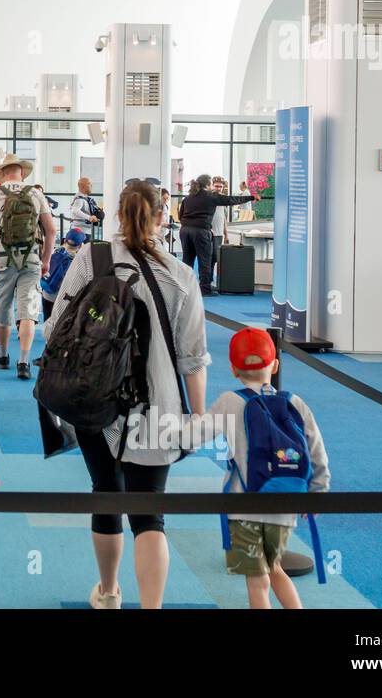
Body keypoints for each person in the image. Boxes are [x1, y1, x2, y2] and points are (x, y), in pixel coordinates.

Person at [43, 180, 210, 609]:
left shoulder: (91, 258)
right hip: (158, 407)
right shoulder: (181, 275)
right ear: (161, 217)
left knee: (106, 489)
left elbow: (54, 328)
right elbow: (193, 359)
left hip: (93, 400)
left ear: (117, 214)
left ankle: (109, 592)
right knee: (149, 513)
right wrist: (197, 416)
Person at [191, 328, 330, 609]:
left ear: (232, 368)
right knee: (275, 569)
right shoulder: (294, 402)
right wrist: (318, 491)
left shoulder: (230, 401)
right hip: (285, 504)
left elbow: (196, 435)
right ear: (275, 365)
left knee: (257, 581)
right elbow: (316, 451)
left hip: (244, 507)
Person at [0, 154, 57, 380]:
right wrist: (46, 260)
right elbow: (51, 231)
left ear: (2, 173)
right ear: (22, 171)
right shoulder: (36, 193)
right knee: (28, 312)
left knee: (3, 309)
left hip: (3, 260)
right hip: (32, 260)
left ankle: (2, 356)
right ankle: (23, 362)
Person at [178, 173, 256, 296]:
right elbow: (231, 200)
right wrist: (250, 198)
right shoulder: (211, 196)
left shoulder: (188, 197)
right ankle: (205, 289)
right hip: (201, 231)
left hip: (185, 230)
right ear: (208, 185)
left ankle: (182, 288)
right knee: (205, 261)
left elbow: (180, 215)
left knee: (187, 260)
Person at [41, 228, 86, 321]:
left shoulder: (53, 252)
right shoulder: (77, 262)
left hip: (46, 295)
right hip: (61, 301)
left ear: (65, 241)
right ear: (81, 245)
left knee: (47, 322)